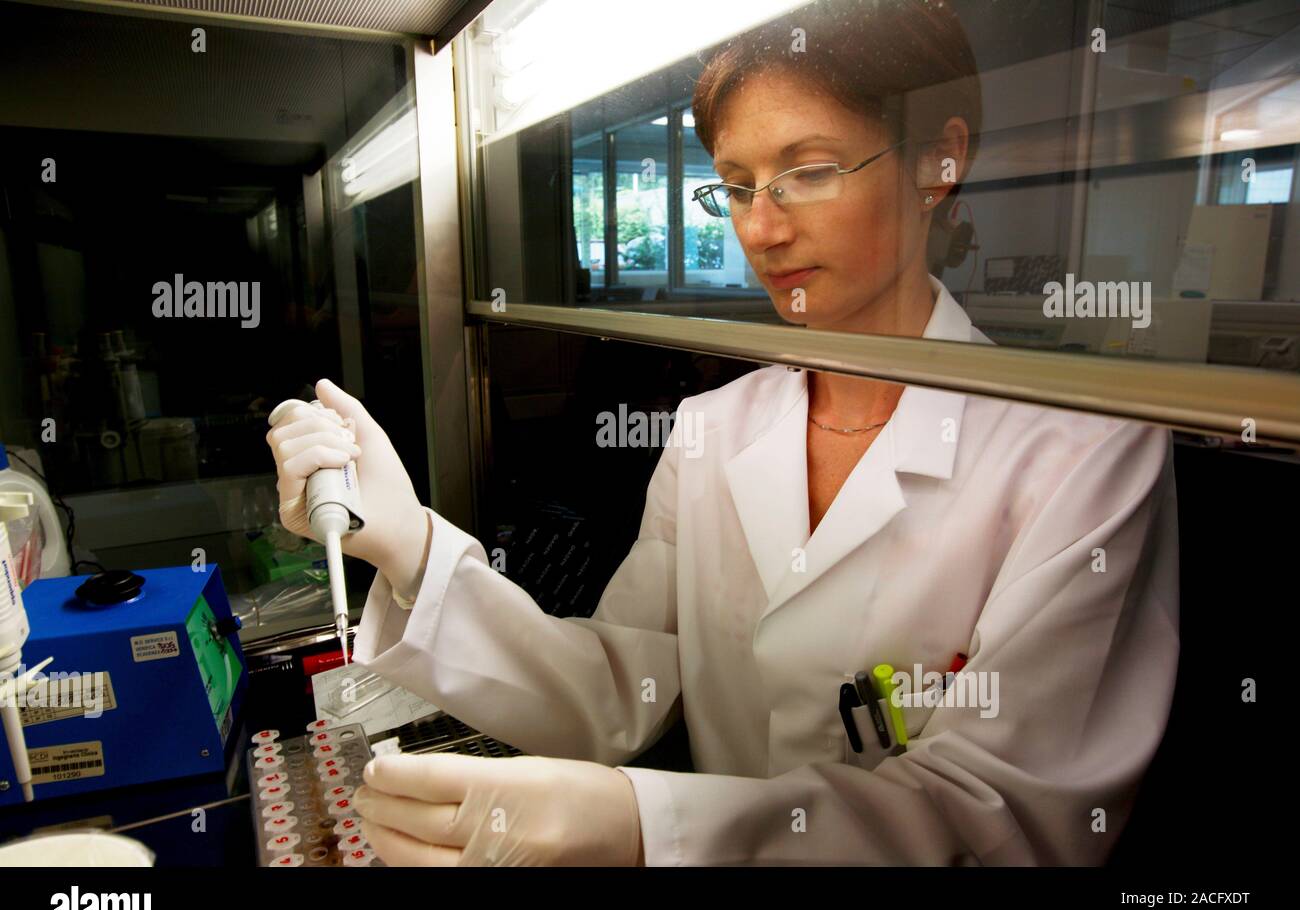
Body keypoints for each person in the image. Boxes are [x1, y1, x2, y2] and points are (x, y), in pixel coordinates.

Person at [266, 0, 1178, 865]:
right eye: (736, 187)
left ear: (938, 161)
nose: (763, 229)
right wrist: (413, 544)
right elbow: (623, 681)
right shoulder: (714, 428)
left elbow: (1003, 817)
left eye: (809, 171)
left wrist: (645, 831)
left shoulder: (1084, 450)